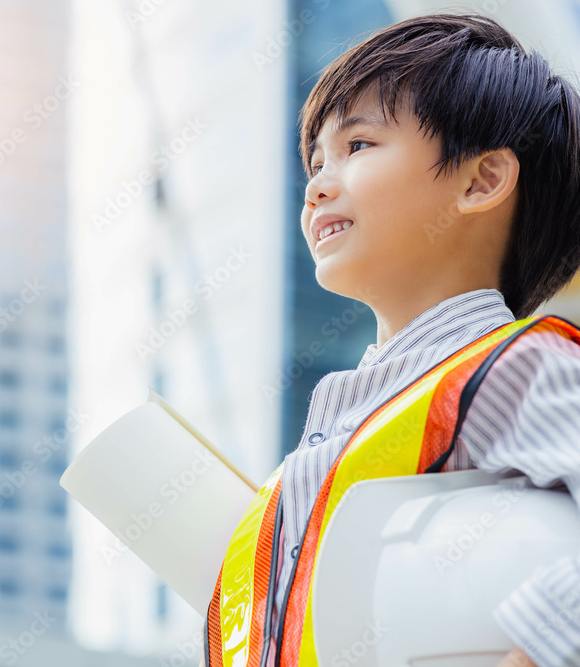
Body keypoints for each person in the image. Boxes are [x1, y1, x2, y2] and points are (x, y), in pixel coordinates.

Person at [202, 12, 580, 667]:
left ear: (481, 181)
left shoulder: (519, 368)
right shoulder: (343, 419)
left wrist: (533, 652)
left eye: (359, 146)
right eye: (316, 160)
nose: (318, 184)